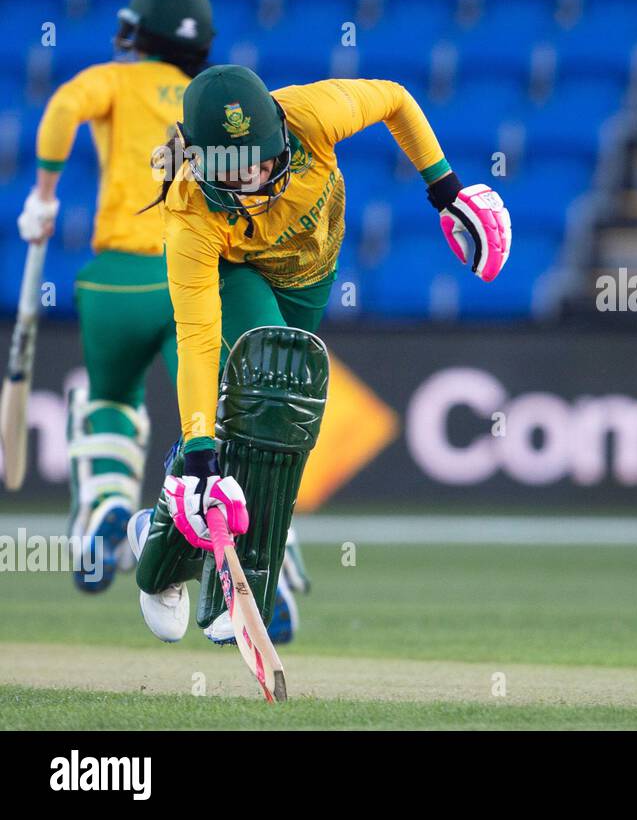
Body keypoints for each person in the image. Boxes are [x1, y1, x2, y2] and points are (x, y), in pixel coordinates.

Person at [129, 64, 511, 645]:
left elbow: (396, 99)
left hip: (310, 278)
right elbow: (200, 338)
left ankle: (160, 551)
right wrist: (203, 453)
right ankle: (242, 587)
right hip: (241, 274)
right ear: (199, 159)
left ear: (280, 136)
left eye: (257, 160)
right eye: (229, 168)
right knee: (271, 403)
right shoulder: (190, 214)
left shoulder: (311, 115)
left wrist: (445, 190)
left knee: (272, 415)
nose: (249, 181)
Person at [21, 0, 213, 593]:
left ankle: (105, 500)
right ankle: (221, 552)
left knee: (109, 398)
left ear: (142, 33)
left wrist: (43, 196)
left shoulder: (115, 79)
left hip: (113, 284)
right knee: (203, 420)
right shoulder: (209, 97)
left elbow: (61, 111)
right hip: (188, 277)